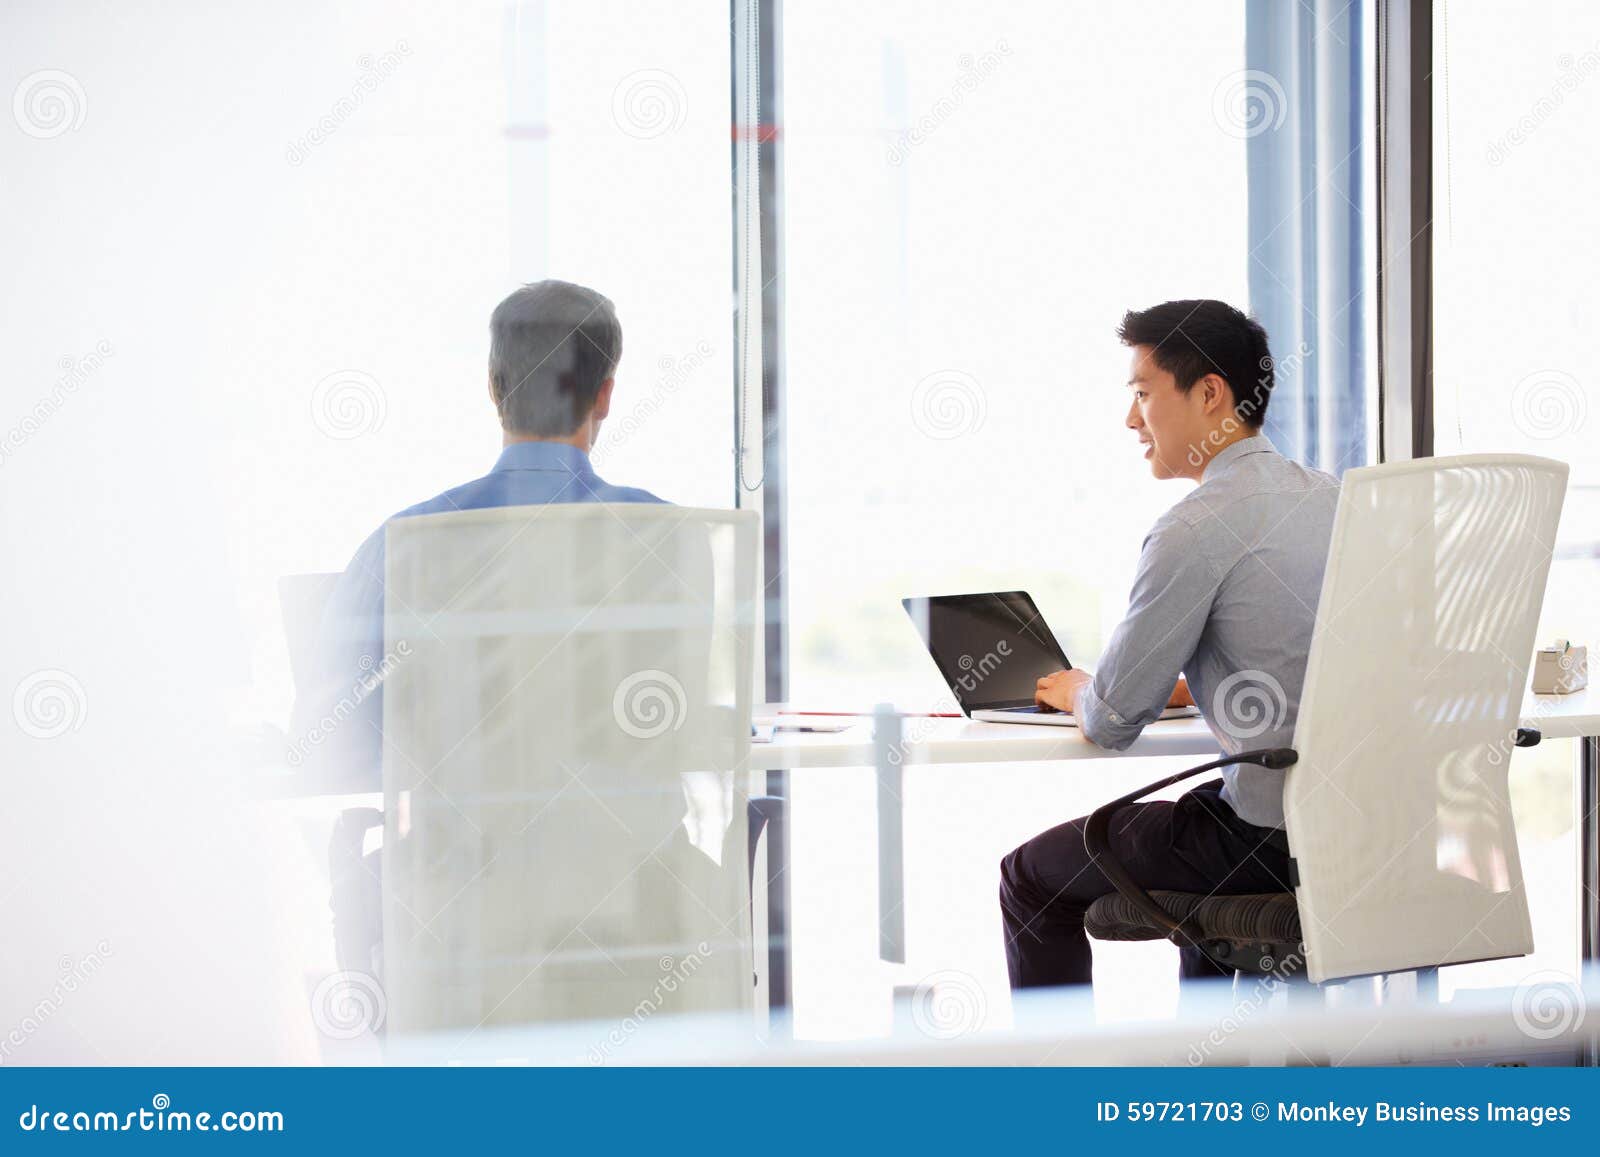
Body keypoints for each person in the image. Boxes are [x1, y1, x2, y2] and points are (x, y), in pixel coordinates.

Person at [291, 279, 779, 980]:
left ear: (494, 387)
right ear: (605, 394)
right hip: (638, 919)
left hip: (458, 929)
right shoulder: (668, 541)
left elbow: (327, 749)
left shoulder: (405, 545)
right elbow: (661, 720)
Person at [998, 299, 1340, 990]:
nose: (1132, 419)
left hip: (1266, 842)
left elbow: (1113, 720)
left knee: (1027, 878)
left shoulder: (1194, 526)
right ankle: (1203, 1079)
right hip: (1356, 832)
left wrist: (1075, 689)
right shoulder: (1337, 500)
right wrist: (1203, 681)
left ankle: (1052, 1093)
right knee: (1203, 853)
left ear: (1210, 393)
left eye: (1143, 393)